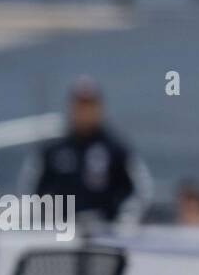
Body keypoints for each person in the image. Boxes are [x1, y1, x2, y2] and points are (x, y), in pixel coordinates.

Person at [19, 76, 152, 234]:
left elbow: (141, 191)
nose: (85, 112)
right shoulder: (52, 151)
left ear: (100, 108)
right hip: (61, 236)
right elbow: (30, 191)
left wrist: (122, 223)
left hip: (106, 235)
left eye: (90, 105)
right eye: (80, 105)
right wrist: (47, 223)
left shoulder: (117, 150)